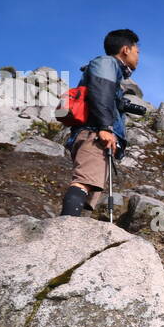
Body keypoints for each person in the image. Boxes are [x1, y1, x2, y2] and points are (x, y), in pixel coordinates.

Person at [59, 28, 140, 217]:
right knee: (83, 182)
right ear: (126, 49)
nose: (138, 57)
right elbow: (101, 92)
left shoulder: (110, 69)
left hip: (95, 133)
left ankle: (73, 230)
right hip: (94, 133)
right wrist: (105, 128)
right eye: (137, 52)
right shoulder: (107, 63)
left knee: (89, 190)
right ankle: (63, 229)